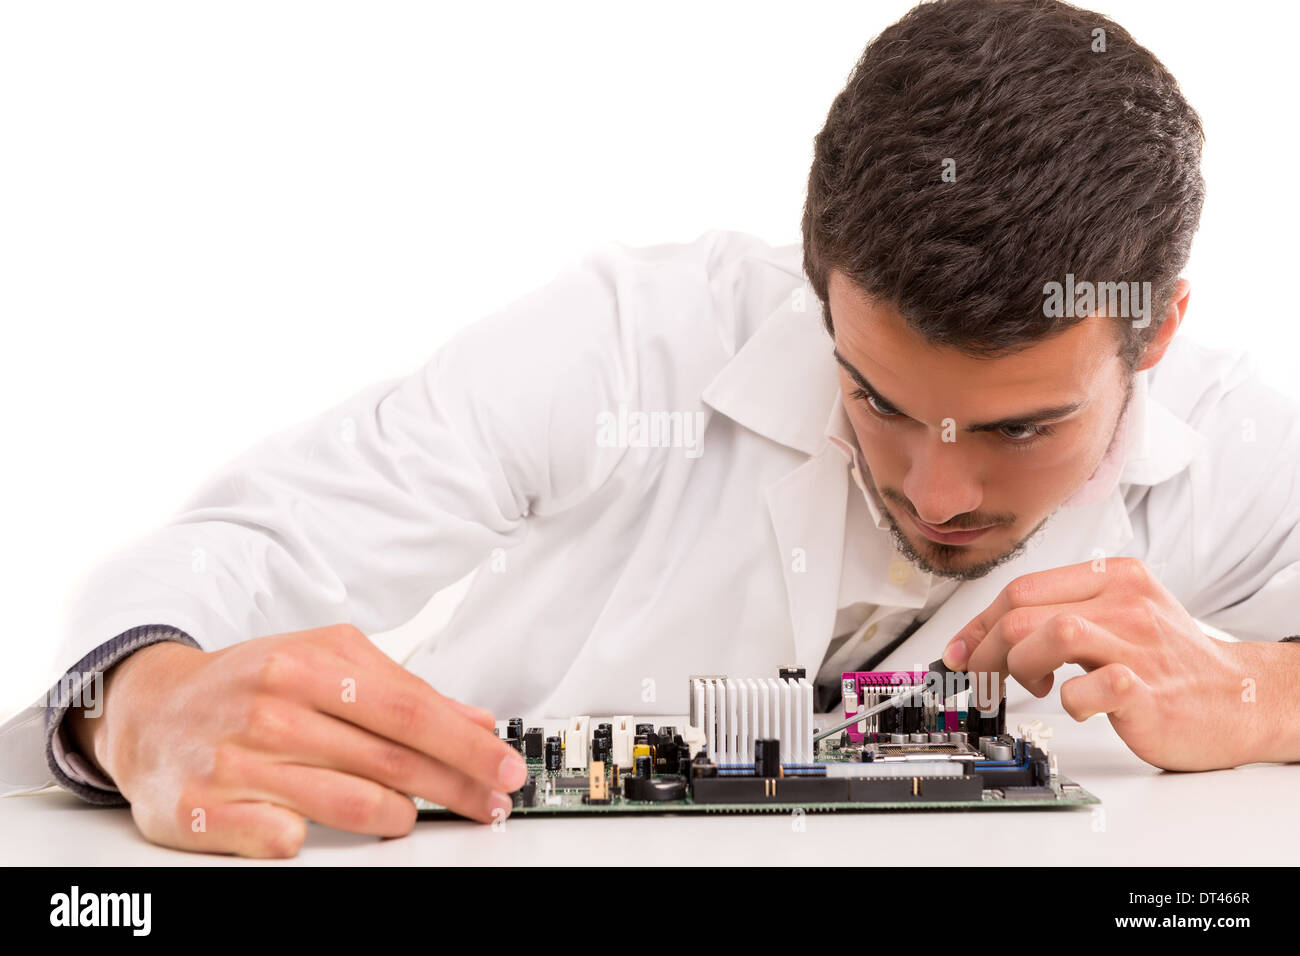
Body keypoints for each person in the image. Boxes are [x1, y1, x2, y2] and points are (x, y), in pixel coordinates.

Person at [3, 0, 1298, 858]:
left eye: (1023, 428)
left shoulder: (1230, 441)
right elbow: (232, 551)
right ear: (818, 292)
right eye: (879, 400)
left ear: (1155, 334)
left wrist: (1258, 689)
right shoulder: (630, 344)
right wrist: (143, 700)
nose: (937, 487)